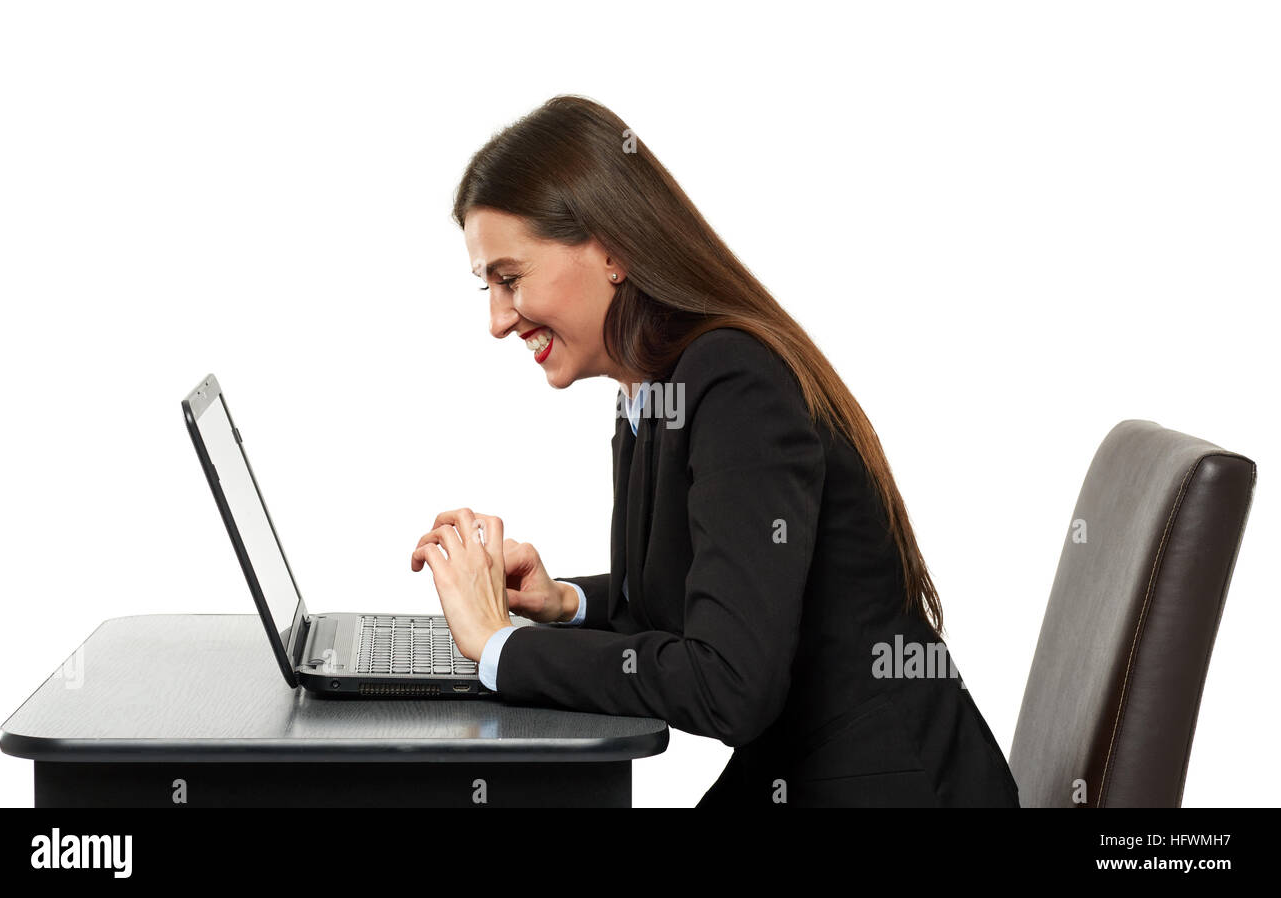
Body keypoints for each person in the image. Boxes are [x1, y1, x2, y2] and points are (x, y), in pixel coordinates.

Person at [410, 95, 1019, 808]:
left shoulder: (733, 383)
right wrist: (566, 604)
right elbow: (717, 592)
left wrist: (499, 648)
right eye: (488, 286)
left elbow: (730, 683)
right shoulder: (654, 387)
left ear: (611, 250)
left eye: (510, 279)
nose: (496, 319)